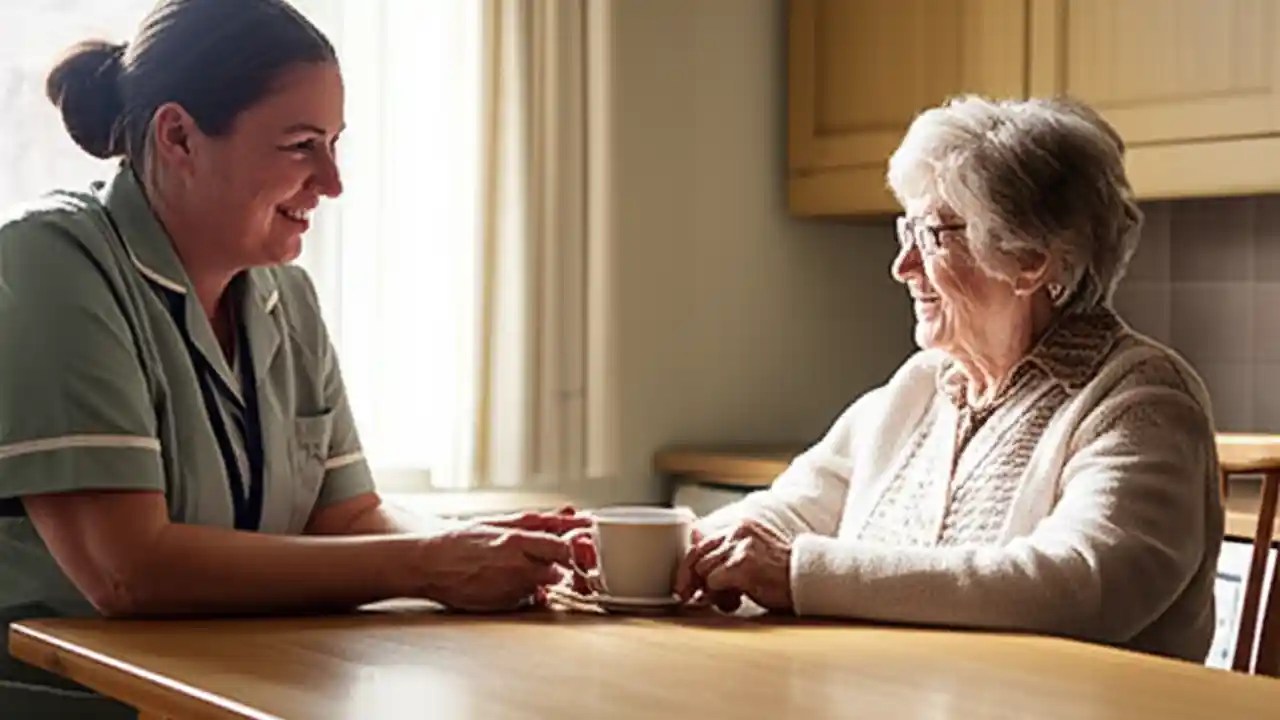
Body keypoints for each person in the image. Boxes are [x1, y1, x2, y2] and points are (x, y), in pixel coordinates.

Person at [0, 1, 584, 715]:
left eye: (335, 143)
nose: (333, 181)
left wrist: (482, 548)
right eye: (302, 145)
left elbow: (349, 518)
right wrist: (430, 565)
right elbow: (128, 571)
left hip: (242, 689)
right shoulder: (47, 263)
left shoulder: (286, 295)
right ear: (180, 136)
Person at [675, 95, 1224, 663]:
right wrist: (652, 553)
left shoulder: (1142, 401)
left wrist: (799, 572)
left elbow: (1078, 583)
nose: (903, 267)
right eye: (905, 230)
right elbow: (789, 511)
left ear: (1030, 257)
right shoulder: (921, 388)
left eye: (934, 233)